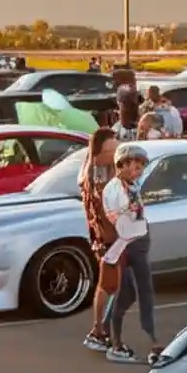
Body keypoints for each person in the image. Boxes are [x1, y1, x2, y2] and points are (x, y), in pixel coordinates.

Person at [100, 144, 162, 364]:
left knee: (145, 291)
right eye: (135, 166)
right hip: (124, 244)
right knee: (125, 292)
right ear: (121, 165)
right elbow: (115, 217)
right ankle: (114, 340)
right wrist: (128, 214)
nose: (138, 171)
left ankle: (153, 341)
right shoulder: (113, 189)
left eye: (141, 167)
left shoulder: (133, 186)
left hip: (139, 242)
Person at [79, 128, 120, 352]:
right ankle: (98, 331)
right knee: (110, 285)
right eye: (110, 150)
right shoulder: (101, 172)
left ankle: (101, 330)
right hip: (109, 236)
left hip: (103, 236)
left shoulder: (90, 167)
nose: (114, 154)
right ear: (99, 150)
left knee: (111, 285)